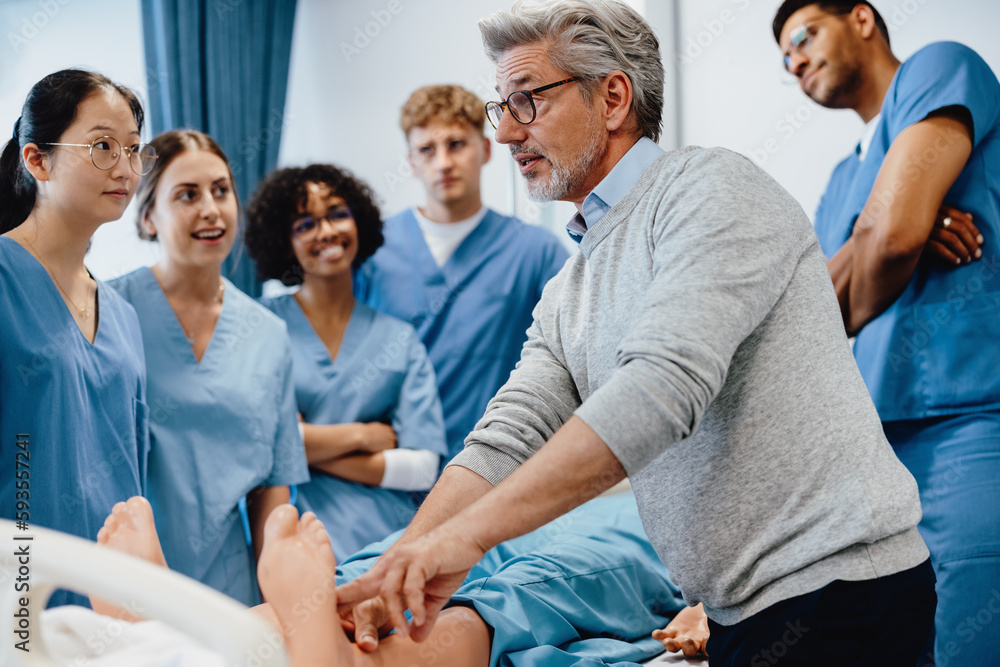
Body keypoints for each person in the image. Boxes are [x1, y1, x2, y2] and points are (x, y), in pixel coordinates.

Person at [337, 2, 937, 666]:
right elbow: (509, 430)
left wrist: (467, 539)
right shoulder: (573, 284)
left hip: (840, 591)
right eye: (498, 108)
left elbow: (658, 390)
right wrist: (400, 565)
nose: (505, 134)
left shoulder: (711, 189)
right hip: (743, 611)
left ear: (614, 97)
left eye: (526, 102)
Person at [773, 3, 1000, 664]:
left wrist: (890, 228)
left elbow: (890, 239)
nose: (796, 62)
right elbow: (808, 316)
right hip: (873, 448)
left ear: (863, 19)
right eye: (786, 58)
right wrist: (892, 217)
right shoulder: (843, 180)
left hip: (969, 421)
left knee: (968, 639)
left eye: (805, 37)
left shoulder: (939, 69)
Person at [95, 491, 687, 666]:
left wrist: (714, 605)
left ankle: (350, 662)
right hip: (553, 501)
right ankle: (171, 636)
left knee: (551, 581)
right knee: (401, 564)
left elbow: (771, 559)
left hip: (656, 523)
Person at [107, 130, 309, 606]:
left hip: (228, 589)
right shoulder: (107, 311)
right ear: (149, 216)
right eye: (187, 195)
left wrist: (275, 608)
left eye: (221, 190)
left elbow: (271, 489)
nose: (211, 209)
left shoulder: (266, 334)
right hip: (120, 580)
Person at [0, 69, 153, 608]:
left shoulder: (123, 318)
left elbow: (134, 475)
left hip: (115, 604)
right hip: (19, 598)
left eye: (135, 150)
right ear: (36, 159)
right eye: (103, 147)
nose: (127, 169)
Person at [354, 85, 569, 464]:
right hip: (391, 472)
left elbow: (571, 361)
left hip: (499, 467)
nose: (443, 163)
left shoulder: (535, 253)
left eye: (456, 145)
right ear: (410, 162)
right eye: (427, 150)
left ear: (485, 150)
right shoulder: (369, 253)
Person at [245, 164, 448, 560]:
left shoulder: (397, 340)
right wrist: (360, 436)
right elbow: (254, 445)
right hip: (292, 542)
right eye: (305, 224)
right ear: (284, 241)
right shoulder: (258, 326)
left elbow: (422, 468)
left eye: (337, 214)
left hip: (386, 545)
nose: (326, 232)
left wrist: (303, 448)